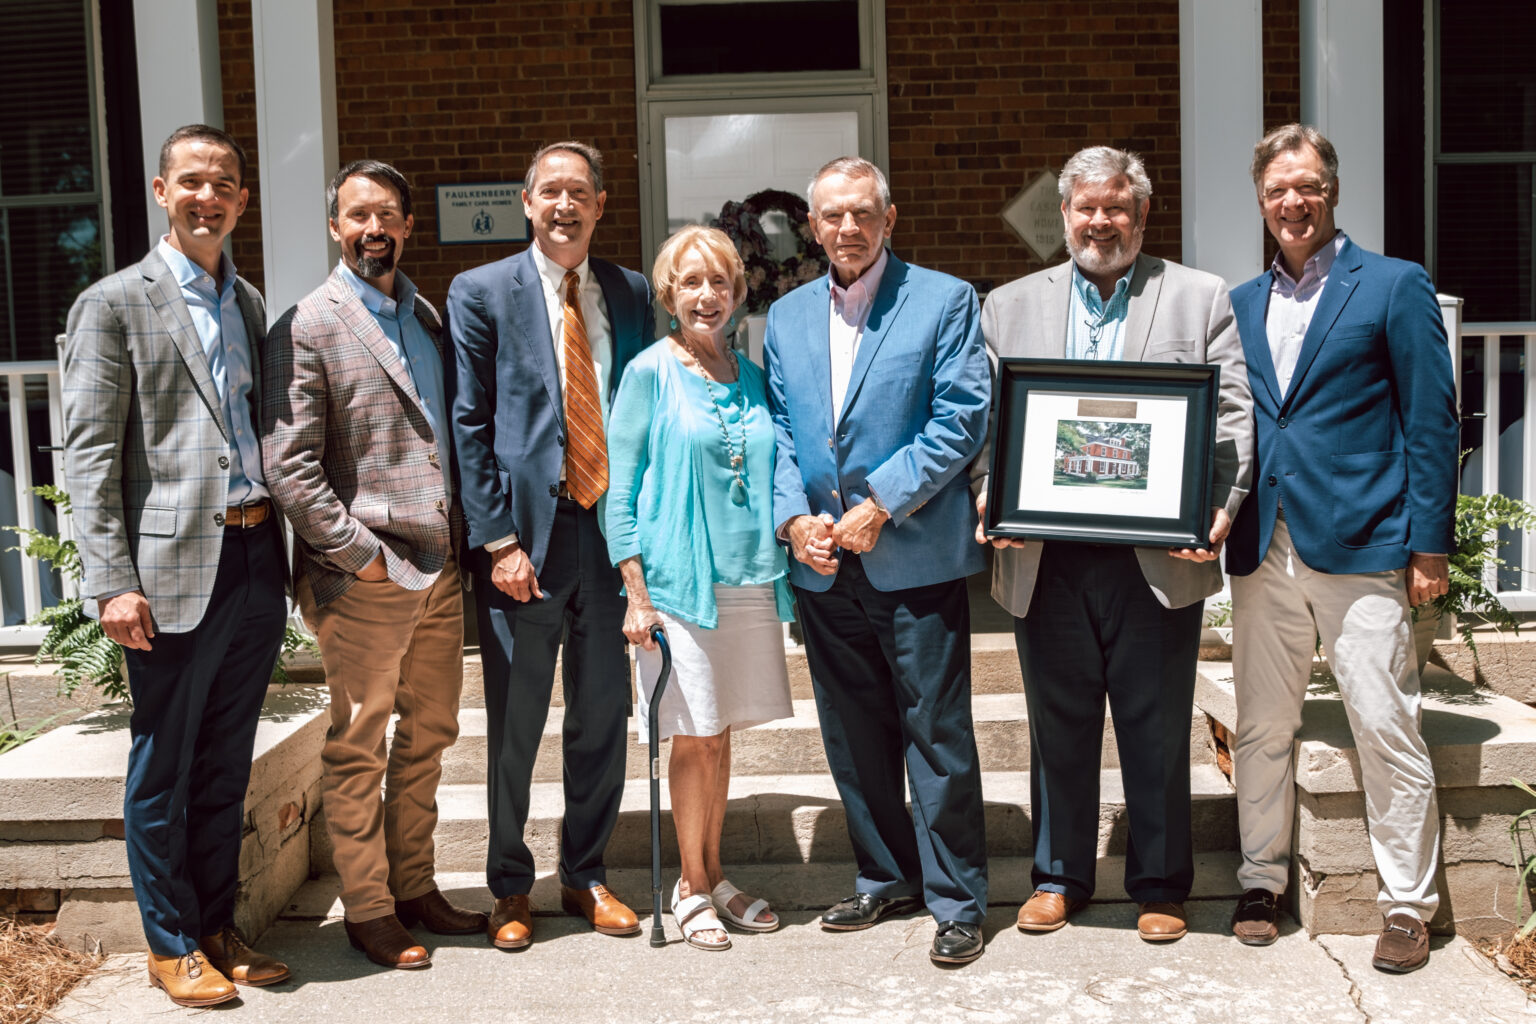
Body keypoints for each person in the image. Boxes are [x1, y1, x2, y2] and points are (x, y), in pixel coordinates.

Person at [975, 146, 1253, 943]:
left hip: (1158, 556)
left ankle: (1161, 884)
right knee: (1057, 724)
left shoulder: (1198, 298)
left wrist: (1215, 510)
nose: (1102, 221)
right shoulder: (1009, 305)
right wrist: (990, 488)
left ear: (1141, 214)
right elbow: (985, 423)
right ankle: (1060, 877)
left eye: (1117, 208)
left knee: (1156, 724)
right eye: (1086, 208)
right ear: (1063, 214)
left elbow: (1230, 418)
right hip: (1044, 557)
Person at [60, 124, 289, 1007]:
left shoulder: (250, 304)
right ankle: (169, 941)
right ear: (162, 192)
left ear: (242, 198)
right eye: (191, 181)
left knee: (227, 758)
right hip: (166, 574)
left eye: (223, 183)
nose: (208, 196)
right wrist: (111, 581)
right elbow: (86, 455)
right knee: (165, 760)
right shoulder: (115, 303)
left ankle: (218, 928)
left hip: (254, 553)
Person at [1225, 124, 1457, 973]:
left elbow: (1430, 420)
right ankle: (1260, 880)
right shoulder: (1241, 303)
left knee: (1385, 721)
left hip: (1360, 539)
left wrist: (1429, 546)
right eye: (1279, 189)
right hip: (1263, 543)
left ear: (1333, 191)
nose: (1294, 202)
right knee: (1262, 724)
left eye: (1309, 186)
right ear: (1260, 199)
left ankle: (1405, 905)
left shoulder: (1394, 286)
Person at [765, 156, 991, 966]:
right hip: (823, 562)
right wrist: (794, 520)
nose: (847, 229)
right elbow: (782, 433)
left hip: (912, 554)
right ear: (814, 225)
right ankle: (884, 877)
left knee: (935, 732)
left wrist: (878, 504)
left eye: (862, 214)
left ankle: (957, 897)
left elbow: (962, 417)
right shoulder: (785, 317)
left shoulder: (944, 300)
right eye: (832, 216)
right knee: (854, 736)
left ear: (889, 219)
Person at [261, 160, 485, 970]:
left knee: (431, 736)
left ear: (406, 225)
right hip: (366, 577)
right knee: (360, 746)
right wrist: (359, 558)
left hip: (440, 571)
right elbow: (289, 464)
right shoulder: (307, 323)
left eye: (386, 214)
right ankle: (368, 908)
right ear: (335, 226)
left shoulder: (424, 312)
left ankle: (416, 886)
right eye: (358, 215)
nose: (373, 228)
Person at [448, 141, 654, 947]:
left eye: (580, 193)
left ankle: (585, 875)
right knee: (516, 722)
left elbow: (641, 406)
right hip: (524, 544)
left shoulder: (631, 292)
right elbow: (468, 423)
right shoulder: (481, 291)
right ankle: (508, 887)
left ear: (601, 205)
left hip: (609, 536)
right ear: (527, 204)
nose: (565, 205)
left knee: (602, 714)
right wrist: (498, 540)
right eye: (550, 192)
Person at [605, 224, 795, 951]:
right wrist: (635, 590)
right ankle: (687, 885)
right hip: (678, 584)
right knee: (691, 735)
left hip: (745, 581)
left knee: (719, 738)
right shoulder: (650, 372)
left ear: (738, 292)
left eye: (719, 282)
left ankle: (714, 873)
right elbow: (617, 492)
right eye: (690, 282)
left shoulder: (748, 377)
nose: (706, 295)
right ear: (668, 294)